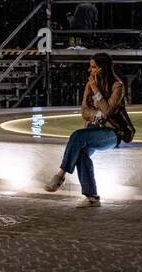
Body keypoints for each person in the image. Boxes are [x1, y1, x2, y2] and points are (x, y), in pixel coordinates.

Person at [44, 52, 129, 207]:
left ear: (103, 68)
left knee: (77, 136)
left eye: (94, 67)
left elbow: (109, 111)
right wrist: (98, 115)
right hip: (93, 130)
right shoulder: (89, 84)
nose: (90, 70)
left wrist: (96, 90)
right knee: (81, 152)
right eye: (90, 67)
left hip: (112, 133)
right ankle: (92, 197)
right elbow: (84, 111)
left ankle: (60, 176)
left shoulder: (117, 86)